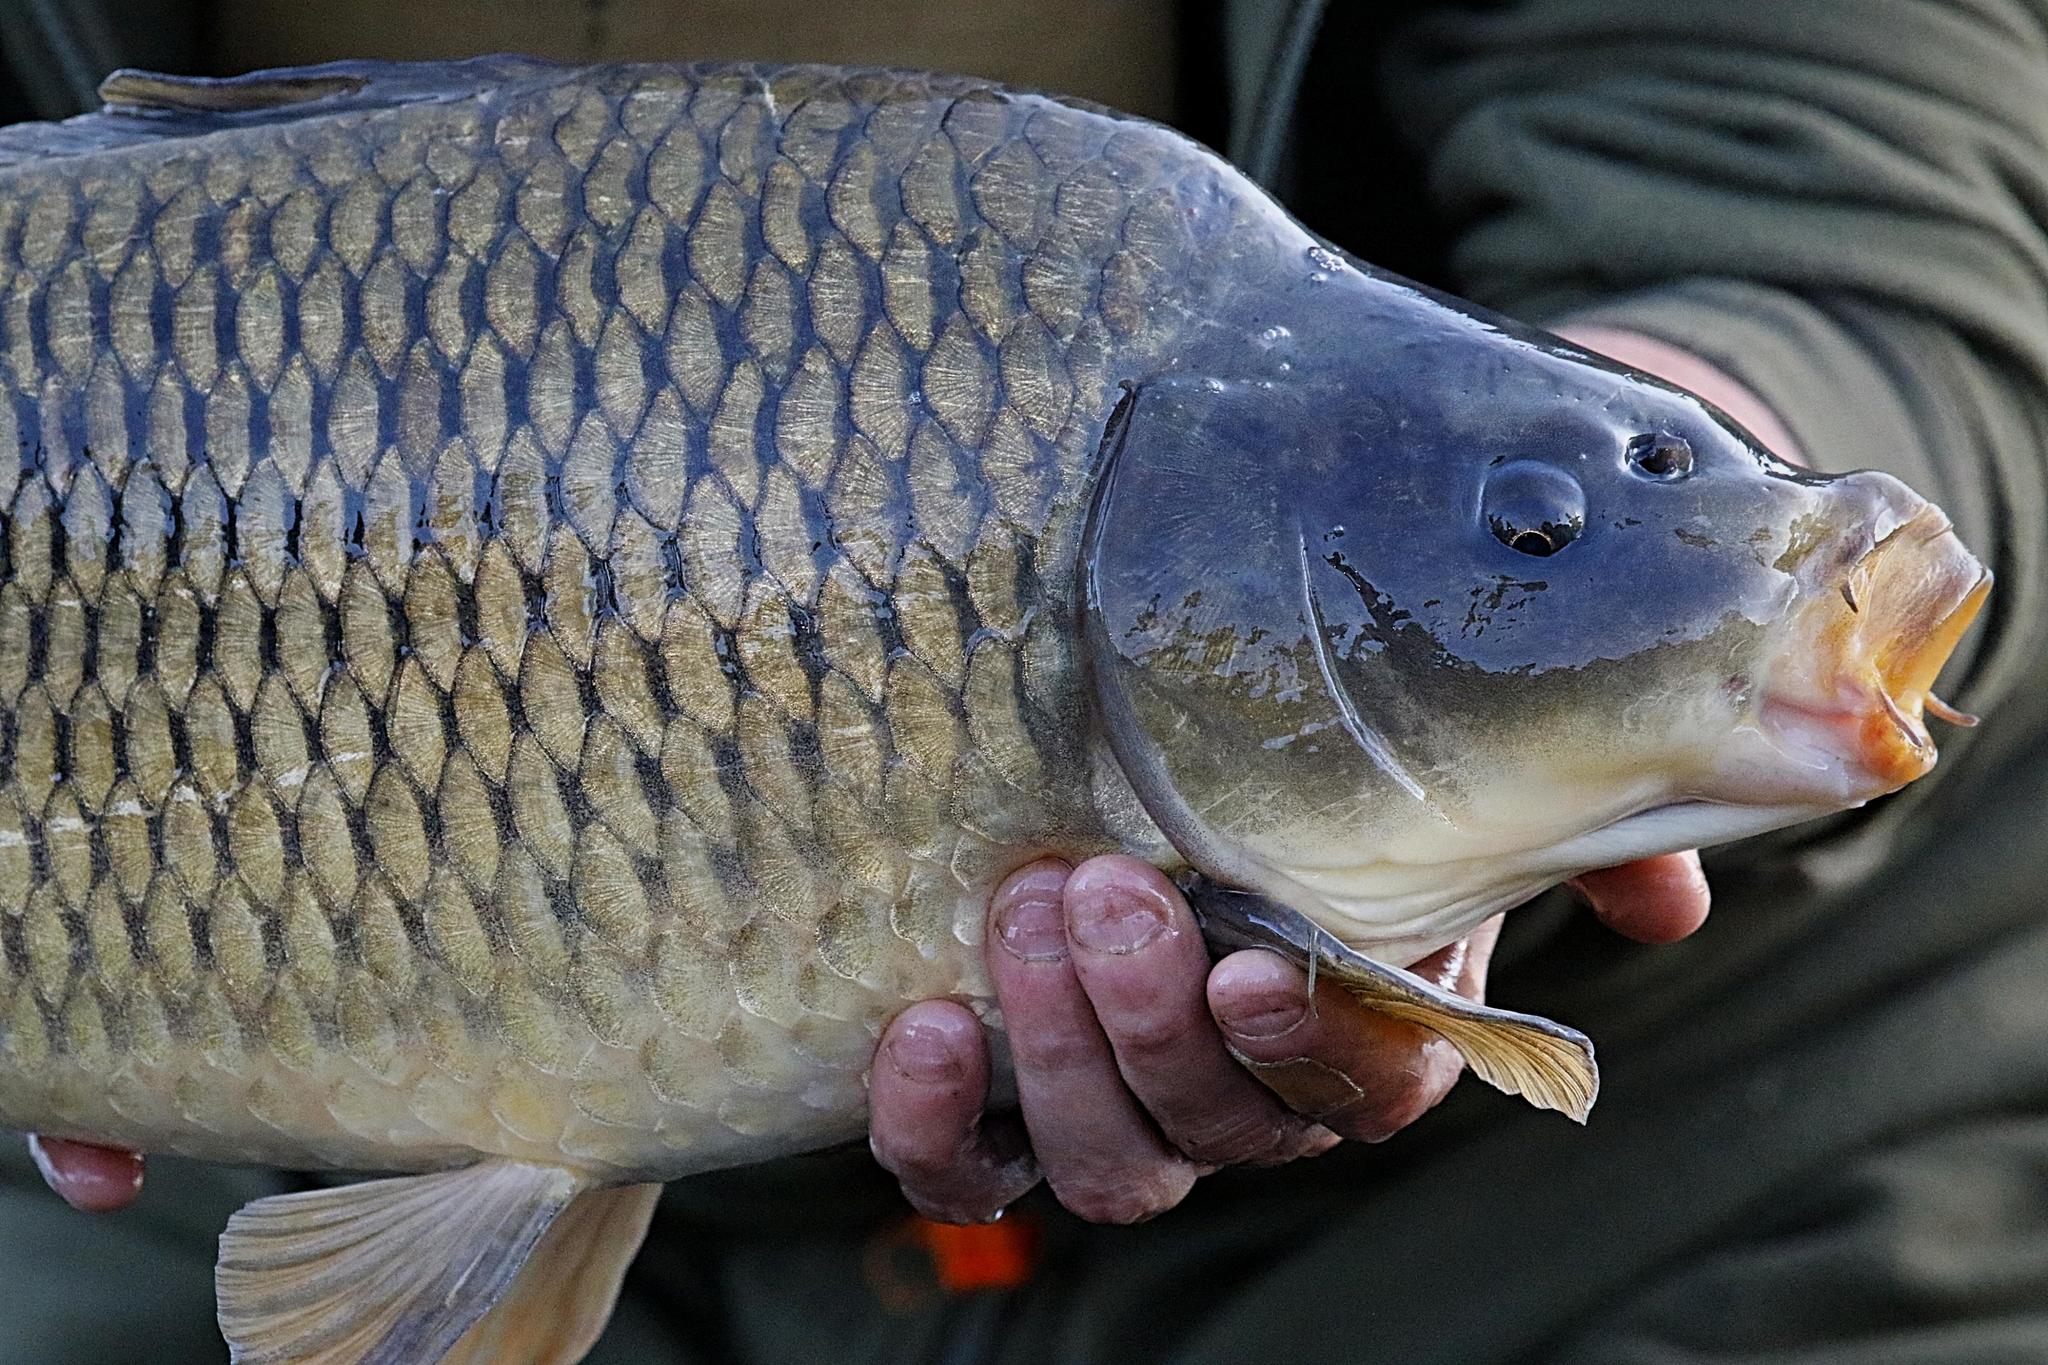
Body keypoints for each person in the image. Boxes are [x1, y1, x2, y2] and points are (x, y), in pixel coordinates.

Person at [13, 0, 2048, 1360]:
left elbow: (1870, 219)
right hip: (201, 1189)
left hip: (1652, 1174)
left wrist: (1687, 463)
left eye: (1528, 518)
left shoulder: (1144, 284)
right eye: (1544, 515)